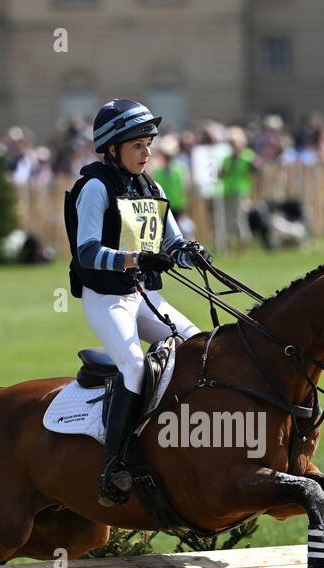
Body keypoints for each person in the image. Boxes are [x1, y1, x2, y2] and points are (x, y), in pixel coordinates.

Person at [64, 98, 212, 507]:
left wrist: (191, 253)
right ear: (112, 149)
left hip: (146, 296)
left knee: (200, 346)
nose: (147, 153)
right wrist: (133, 258)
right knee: (134, 365)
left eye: (149, 144)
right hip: (108, 299)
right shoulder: (95, 188)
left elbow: (173, 243)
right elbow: (87, 253)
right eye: (138, 146)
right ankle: (113, 464)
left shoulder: (153, 187)